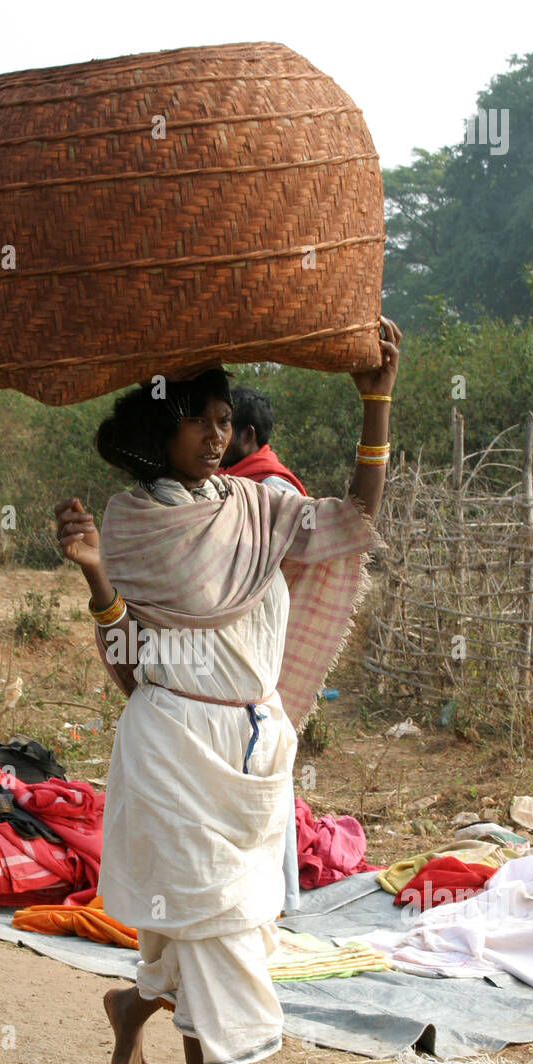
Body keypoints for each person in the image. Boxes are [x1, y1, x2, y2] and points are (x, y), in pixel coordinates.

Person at [54, 318, 401, 1064]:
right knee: (219, 932)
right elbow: (131, 664)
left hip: (254, 746)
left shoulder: (262, 507)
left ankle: (130, 1004)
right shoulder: (132, 524)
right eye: (199, 419)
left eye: (223, 419)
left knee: (219, 920)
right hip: (173, 742)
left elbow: (356, 518)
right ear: (157, 429)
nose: (218, 434)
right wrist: (96, 573)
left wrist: (376, 403)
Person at [220, 386, 307, 915]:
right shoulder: (232, 486)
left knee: (263, 778)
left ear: (247, 435)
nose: (214, 436)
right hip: (231, 649)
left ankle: (277, 902)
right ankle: (259, 900)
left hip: (252, 649)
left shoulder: (270, 489)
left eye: (223, 424)